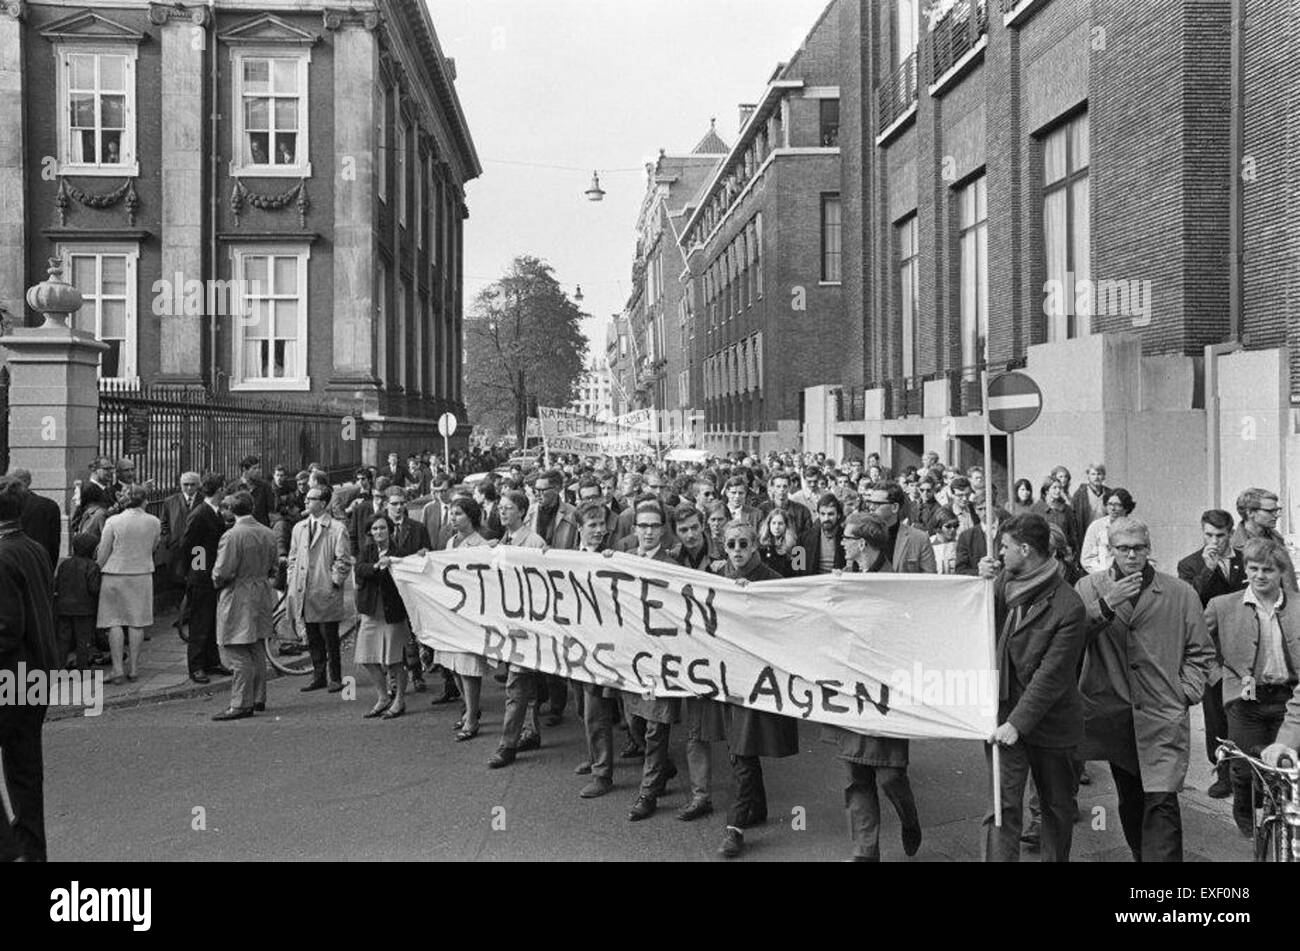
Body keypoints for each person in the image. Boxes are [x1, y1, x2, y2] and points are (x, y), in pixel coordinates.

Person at [1074, 516, 1215, 862]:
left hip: (1163, 713)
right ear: (1110, 551)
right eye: (1123, 548)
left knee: (1162, 800)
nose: (1132, 555)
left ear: (1149, 549)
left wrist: (1185, 692)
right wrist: (1108, 604)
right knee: (1132, 798)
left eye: (1139, 548)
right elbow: (1071, 641)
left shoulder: (1180, 593)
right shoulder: (1089, 588)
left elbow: (1202, 652)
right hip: (1115, 715)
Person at [977, 514, 1088, 862]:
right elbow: (977, 621)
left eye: (1005, 547)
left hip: (1050, 723)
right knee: (1002, 806)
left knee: (1055, 809)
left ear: (1025, 550)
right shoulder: (1001, 582)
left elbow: (1051, 676)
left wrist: (1017, 724)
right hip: (1002, 711)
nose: (1000, 553)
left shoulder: (1069, 605)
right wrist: (977, 583)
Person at [821, 512, 925, 862]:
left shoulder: (894, 583)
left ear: (861, 543)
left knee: (891, 775)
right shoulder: (846, 579)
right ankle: (865, 851)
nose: (841, 543)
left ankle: (909, 818)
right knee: (856, 775)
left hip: (884, 692)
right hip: (851, 689)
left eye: (846, 538)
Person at [1204, 538, 1299, 837]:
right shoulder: (1223, 606)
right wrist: (1218, 675)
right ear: (1245, 569)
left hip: (1288, 697)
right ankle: (1243, 806)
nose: (1259, 575)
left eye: (1268, 570)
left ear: (1281, 572)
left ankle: (1281, 824)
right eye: (1253, 568)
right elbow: (1198, 647)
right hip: (1246, 701)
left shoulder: (1297, 606)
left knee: (1285, 769)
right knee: (1245, 769)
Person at [717, 518, 796, 859]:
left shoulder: (773, 582)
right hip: (727, 675)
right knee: (739, 747)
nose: (737, 550)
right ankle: (758, 806)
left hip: (758, 677)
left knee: (742, 750)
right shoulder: (717, 580)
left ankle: (735, 828)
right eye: (731, 544)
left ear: (755, 546)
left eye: (744, 544)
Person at [0, 476, 59, 861]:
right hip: (36, 671)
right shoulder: (32, 546)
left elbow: (6, 627)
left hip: (10, 676)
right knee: (25, 769)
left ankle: (11, 850)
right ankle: (31, 850)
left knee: (22, 767)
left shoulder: (2, 556)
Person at [1176, 509, 1245, 800]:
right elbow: (1191, 601)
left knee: (1243, 711)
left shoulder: (1245, 560)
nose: (1214, 541)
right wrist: (1208, 569)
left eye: (1220, 535)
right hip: (1211, 654)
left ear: (1230, 533)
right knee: (1216, 713)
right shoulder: (1190, 564)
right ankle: (1222, 772)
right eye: (1208, 535)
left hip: (1243, 651)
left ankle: (1245, 774)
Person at [624, 500, 682, 821]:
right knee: (634, 720)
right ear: (634, 529)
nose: (647, 531)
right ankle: (664, 767)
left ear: (662, 529)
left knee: (654, 725)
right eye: (642, 525)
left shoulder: (670, 564)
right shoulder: (623, 561)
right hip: (628, 658)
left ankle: (647, 793)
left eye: (653, 526)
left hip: (658, 660)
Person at [210, 491, 278, 721]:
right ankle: (259, 697)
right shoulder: (268, 533)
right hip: (261, 591)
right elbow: (273, 567)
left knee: (236, 649)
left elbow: (222, 572)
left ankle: (240, 703)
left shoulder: (232, 536)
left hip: (239, 594)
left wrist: (215, 580)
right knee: (257, 647)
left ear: (231, 509)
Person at [573, 501, 621, 798]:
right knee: (585, 707)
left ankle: (602, 772)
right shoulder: (566, 558)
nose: (600, 530)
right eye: (592, 525)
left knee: (600, 710)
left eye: (602, 524)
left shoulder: (614, 556)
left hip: (608, 645)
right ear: (579, 528)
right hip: (578, 643)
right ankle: (596, 758)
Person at [287, 483, 352, 693]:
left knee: (330, 637)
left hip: (325, 590)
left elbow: (343, 560)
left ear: (323, 503)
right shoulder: (300, 527)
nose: (306, 501)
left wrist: (334, 581)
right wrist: (292, 578)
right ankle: (318, 675)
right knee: (313, 636)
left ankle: (336, 677)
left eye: (311, 498)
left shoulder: (336, 528)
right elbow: (293, 557)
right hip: (305, 590)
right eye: (307, 498)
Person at [95, 485, 161, 685]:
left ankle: (117, 669)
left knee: (113, 621)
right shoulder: (154, 521)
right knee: (136, 622)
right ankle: (133, 667)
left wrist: (98, 568)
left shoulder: (113, 521)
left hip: (115, 574)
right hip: (141, 573)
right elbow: (154, 546)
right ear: (144, 500)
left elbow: (103, 552)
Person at [353, 514, 412, 721]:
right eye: (375, 529)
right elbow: (359, 569)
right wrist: (377, 566)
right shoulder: (367, 551)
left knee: (395, 660)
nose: (379, 532)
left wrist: (392, 563)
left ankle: (400, 700)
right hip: (371, 612)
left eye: (383, 528)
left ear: (390, 530)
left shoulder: (399, 553)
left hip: (392, 613)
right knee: (366, 657)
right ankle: (383, 696)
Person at [182, 474, 229, 684]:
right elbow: (190, 545)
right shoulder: (201, 513)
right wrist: (200, 571)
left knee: (210, 620)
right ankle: (196, 666)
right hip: (201, 577)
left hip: (210, 576)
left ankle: (212, 661)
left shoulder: (214, 512)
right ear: (219, 489)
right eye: (224, 488)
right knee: (200, 623)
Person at [863, 481, 938, 573]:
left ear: (894, 507)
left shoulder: (919, 539)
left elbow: (930, 580)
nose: (871, 507)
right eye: (869, 503)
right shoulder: (860, 536)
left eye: (877, 504)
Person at [54, 533, 101, 670]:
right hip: (84, 610)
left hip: (63, 607)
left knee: (63, 640)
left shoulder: (64, 564)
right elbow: (94, 588)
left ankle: (58, 669)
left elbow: (56, 584)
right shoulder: (92, 566)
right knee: (83, 641)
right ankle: (82, 669)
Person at [158, 471, 201, 609]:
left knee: (197, 577)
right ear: (180, 485)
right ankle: (181, 610)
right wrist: (167, 539)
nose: (189, 488)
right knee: (178, 578)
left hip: (198, 549)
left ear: (198, 485)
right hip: (176, 547)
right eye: (185, 485)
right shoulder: (170, 501)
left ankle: (194, 608)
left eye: (192, 485)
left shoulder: (203, 500)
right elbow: (163, 523)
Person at [8, 469, 60, 571]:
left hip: (12, 563)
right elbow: (54, 545)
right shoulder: (49, 506)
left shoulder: (7, 505)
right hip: (40, 564)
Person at [1079, 487, 1136, 574]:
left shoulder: (1135, 528)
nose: (1113, 508)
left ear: (1126, 507)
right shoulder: (1096, 527)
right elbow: (1087, 559)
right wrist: (1104, 574)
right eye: (1110, 504)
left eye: (1118, 505)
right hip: (1102, 577)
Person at [757, 507, 801, 578]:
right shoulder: (761, 546)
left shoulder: (797, 547)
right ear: (769, 525)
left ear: (786, 525)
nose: (776, 527)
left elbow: (800, 574)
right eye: (773, 523)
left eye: (780, 523)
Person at [929, 509, 960, 574]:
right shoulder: (928, 544)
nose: (953, 529)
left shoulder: (960, 544)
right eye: (948, 526)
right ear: (938, 528)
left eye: (956, 526)